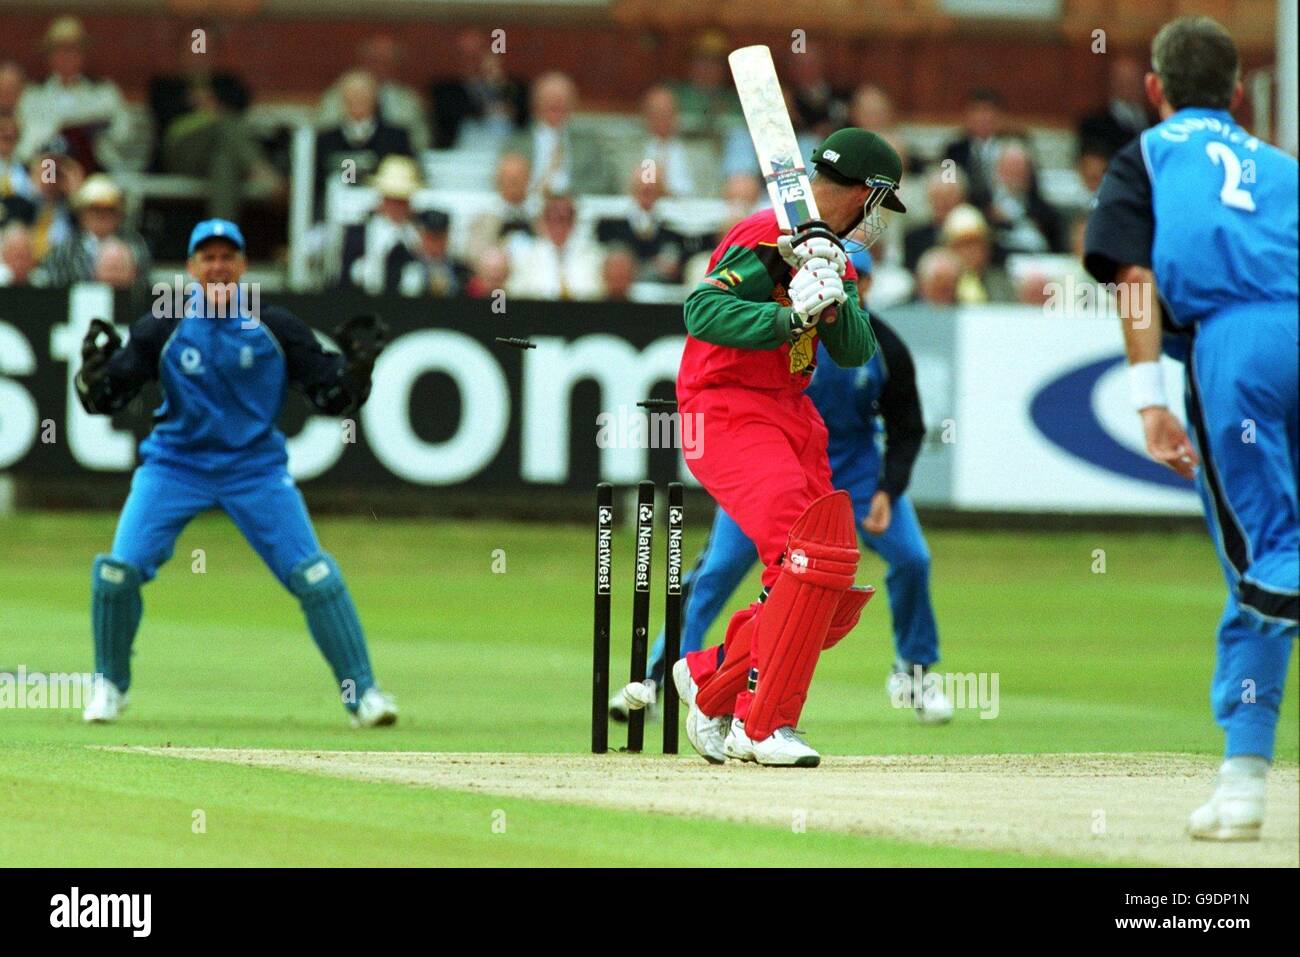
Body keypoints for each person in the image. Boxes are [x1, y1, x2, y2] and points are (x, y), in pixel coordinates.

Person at [1084, 15, 1297, 841]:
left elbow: (1133, 277)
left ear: (1154, 89)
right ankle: (1240, 783)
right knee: (1273, 558)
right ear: (1239, 93)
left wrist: (1148, 397)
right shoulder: (1283, 165)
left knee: (1266, 555)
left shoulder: (1149, 153)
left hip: (1237, 347)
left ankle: (1244, 787)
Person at [74, 218, 398, 728]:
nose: (219, 267)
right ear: (191, 268)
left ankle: (364, 695)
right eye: (209, 258)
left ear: (244, 266)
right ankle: (109, 686)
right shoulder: (163, 324)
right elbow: (106, 396)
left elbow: (332, 396)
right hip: (175, 465)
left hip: (255, 469)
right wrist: (91, 377)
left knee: (314, 576)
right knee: (117, 573)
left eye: (228, 257)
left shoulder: (276, 325)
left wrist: (356, 373)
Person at [619, 249, 953, 727]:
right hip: (776, 461)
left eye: (860, 281)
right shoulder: (787, 331)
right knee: (719, 570)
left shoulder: (881, 344)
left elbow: (907, 426)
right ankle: (659, 675)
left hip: (856, 472)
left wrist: (888, 489)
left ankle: (914, 674)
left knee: (913, 558)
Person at [665, 127, 907, 767]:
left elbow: (855, 349)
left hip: (791, 411)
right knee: (803, 556)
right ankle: (762, 723)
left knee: (829, 570)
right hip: (726, 405)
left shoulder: (837, 256)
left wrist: (831, 303)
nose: (879, 221)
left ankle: (711, 676)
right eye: (881, 204)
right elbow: (702, 312)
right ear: (864, 191)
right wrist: (790, 316)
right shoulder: (767, 235)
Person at [16, 17, 140, 174]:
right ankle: (51, 196)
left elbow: (122, 132)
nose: (67, 56)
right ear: (49, 56)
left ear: (83, 54)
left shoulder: (103, 92)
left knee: (100, 190)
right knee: (48, 174)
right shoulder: (34, 94)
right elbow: (26, 140)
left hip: (94, 166)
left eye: (73, 50)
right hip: (49, 167)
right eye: (60, 50)